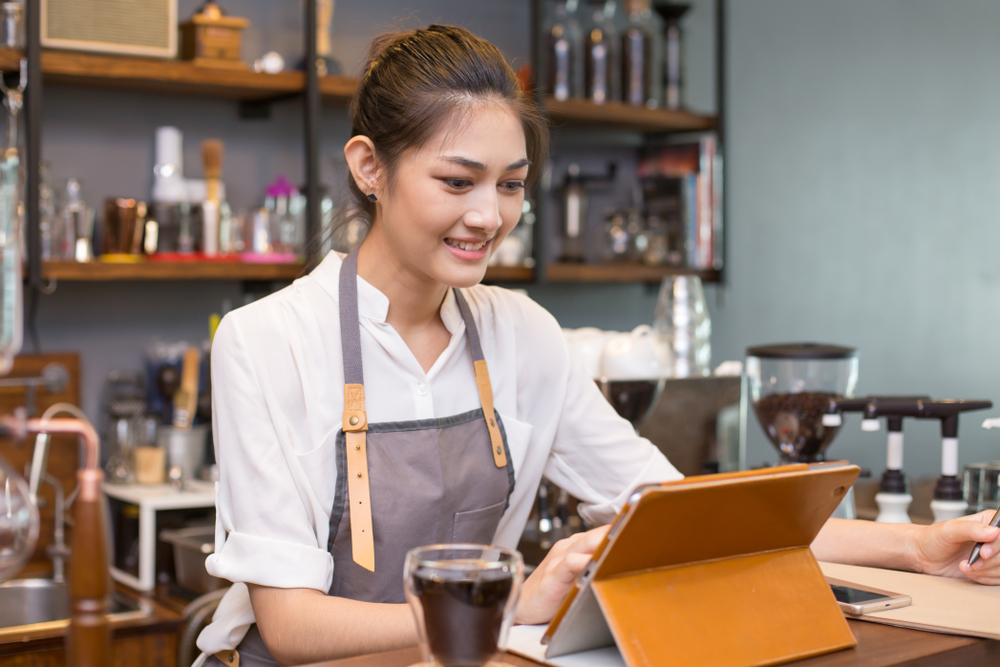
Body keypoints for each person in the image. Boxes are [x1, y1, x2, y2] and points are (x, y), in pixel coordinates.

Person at [194, 24, 1000, 667]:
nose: (489, 215)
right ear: (370, 166)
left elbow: (685, 515)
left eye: (510, 184)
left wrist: (920, 545)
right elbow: (291, 625)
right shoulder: (267, 342)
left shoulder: (520, 334)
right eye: (456, 180)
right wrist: (512, 605)